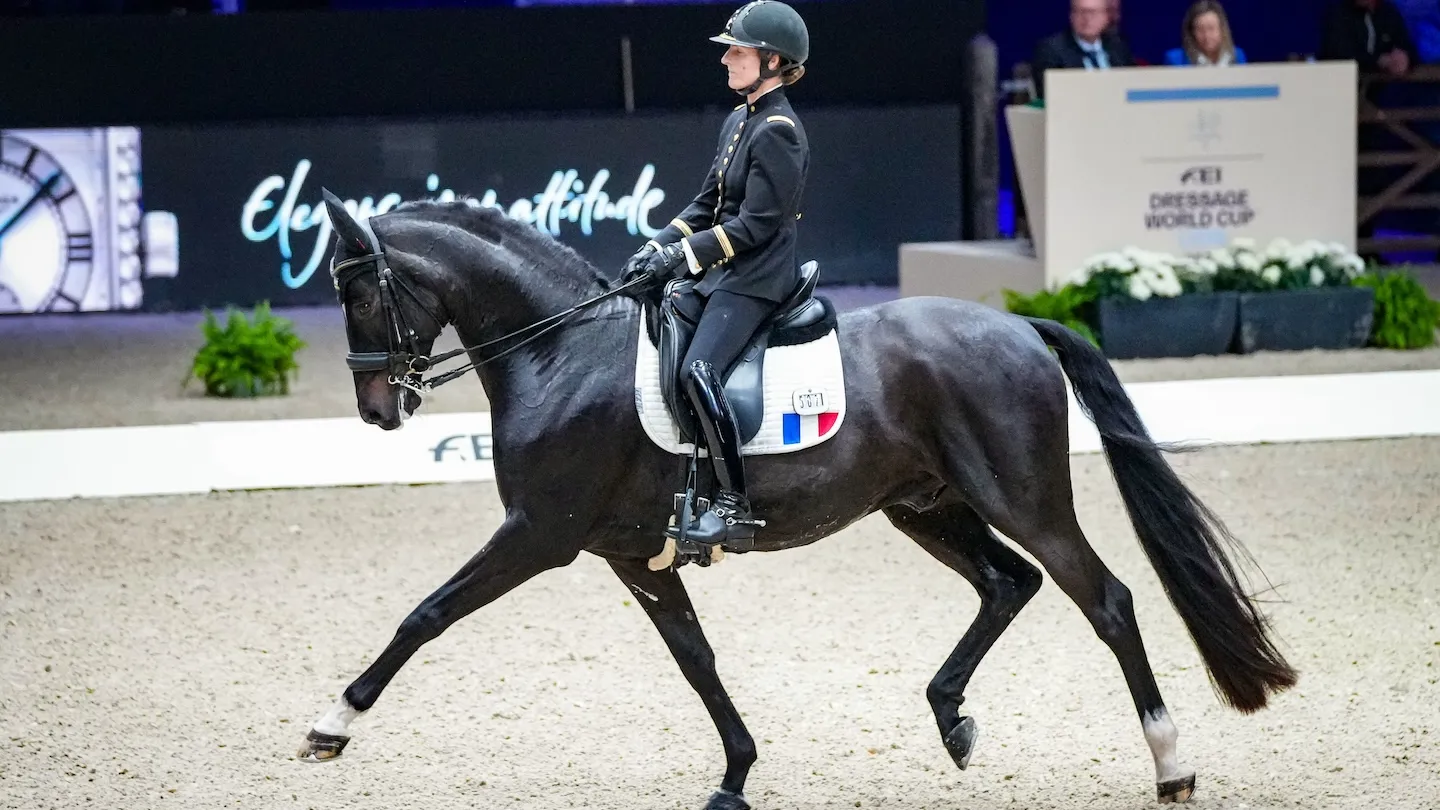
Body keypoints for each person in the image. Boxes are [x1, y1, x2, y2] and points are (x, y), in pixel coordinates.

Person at [621, 0, 811, 549]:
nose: (726, 59)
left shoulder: (779, 130)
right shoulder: (739, 121)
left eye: (738, 50)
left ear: (772, 61)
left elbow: (756, 224)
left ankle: (735, 506)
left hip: (757, 279)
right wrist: (656, 245)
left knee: (698, 370)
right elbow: (707, 202)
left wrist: (685, 258)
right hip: (724, 273)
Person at [1031, 0, 1136, 99]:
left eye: (1093, 12)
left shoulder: (1118, 47)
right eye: (1081, 12)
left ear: (1106, 16)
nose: (1087, 18)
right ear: (1071, 16)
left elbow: (1133, 86)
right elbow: (1050, 94)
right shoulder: (1051, 50)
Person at [1319, 0, 1418, 77]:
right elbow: (1340, 54)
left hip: (1384, 87)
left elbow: (1406, 45)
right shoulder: (1339, 14)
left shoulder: (1389, 13)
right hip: (1345, 86)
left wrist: (1405, 58)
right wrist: (1379, 60)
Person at [1165, 1, 1248, 66]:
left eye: (1211, 28)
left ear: (1222, 29)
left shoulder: (1237, 56)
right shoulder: (1175, 60)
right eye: (1200, 30)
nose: (1207, 36)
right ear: (1192, 32)